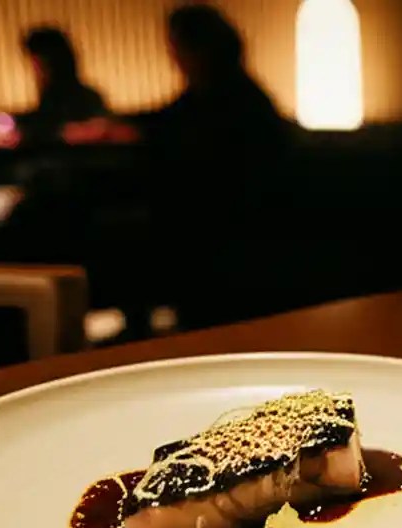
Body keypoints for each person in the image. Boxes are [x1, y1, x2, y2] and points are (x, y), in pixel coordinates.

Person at [63, 4, 294, 330]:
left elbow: (196, 155)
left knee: (115, 228)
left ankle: (137, 330)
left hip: (224, 225)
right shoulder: (224, 92)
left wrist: (128, 133)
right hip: (215, 219)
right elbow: (168, 120)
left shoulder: (235, 100)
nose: (173, 57)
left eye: (176, 47)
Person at [8, 27, 105, 147]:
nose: (36, 73)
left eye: (39, 66)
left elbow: (90, 132)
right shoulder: (50, 99)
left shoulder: (86, 99)